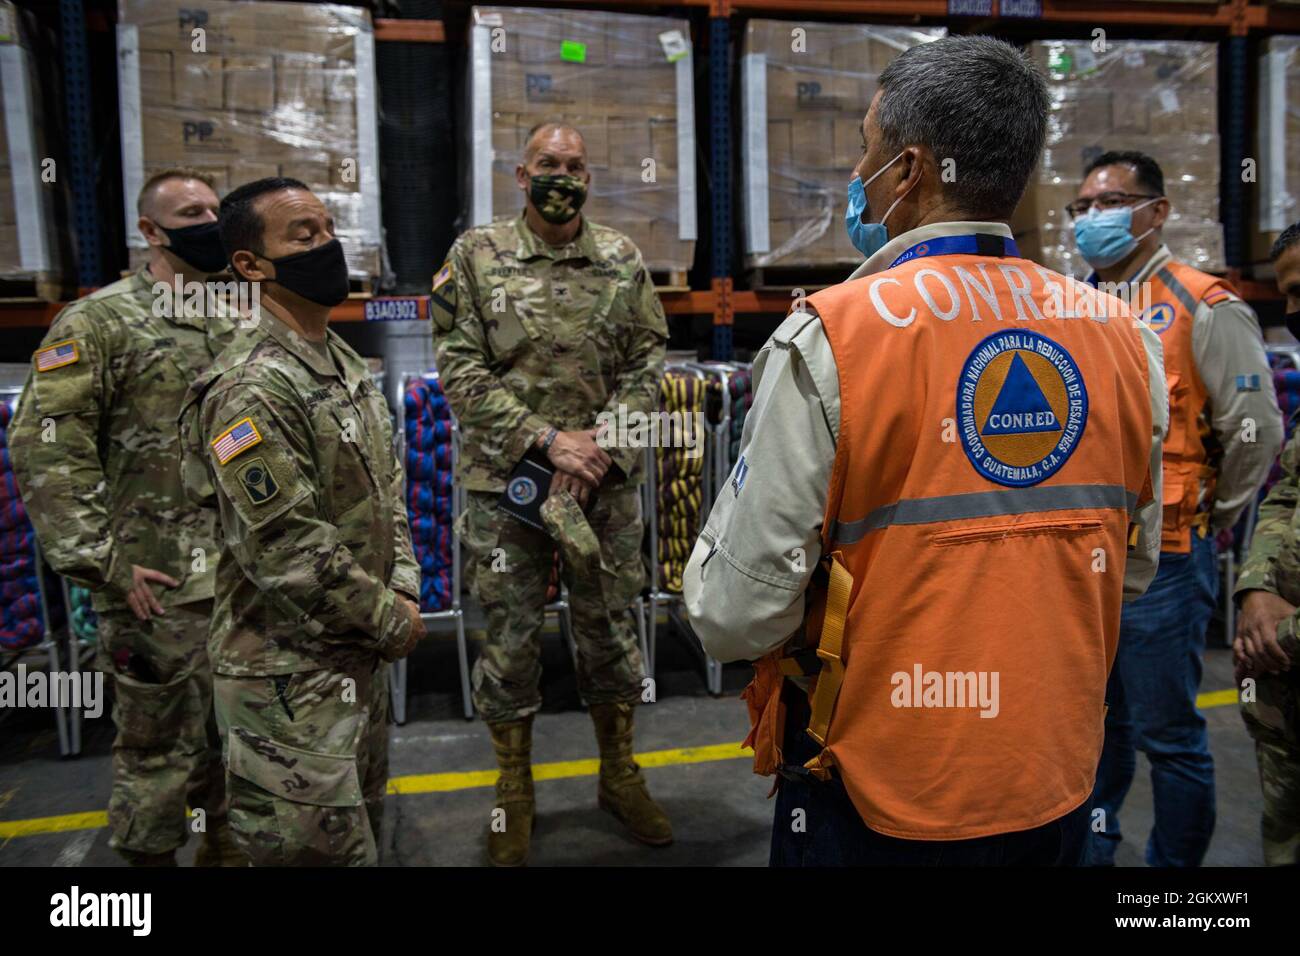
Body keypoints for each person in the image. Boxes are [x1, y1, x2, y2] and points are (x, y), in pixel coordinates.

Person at [682, 35, 1168, 866]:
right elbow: (1135, 565)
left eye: (865, 149)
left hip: (876, 790)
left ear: (906, 172)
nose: (856, 173)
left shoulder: (835, 337)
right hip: (1051, 779)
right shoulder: (1123, 337)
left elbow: (735, 613)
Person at [431, 122, 671, 866]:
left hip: (603, 487)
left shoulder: (621, 258)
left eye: (574, 164)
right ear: (520, 172)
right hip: (509, 489)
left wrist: (599, 446)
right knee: (508, 643)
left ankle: (620, 774)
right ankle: (514, 791)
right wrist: (547, 440)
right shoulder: (476, 257)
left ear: (590, 177)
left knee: (611, 632)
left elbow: (647, 360)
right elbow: (460, 369)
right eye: (547, 164)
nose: (561, 175)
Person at [179, 177, 424, 866]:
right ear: (251, 266)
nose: (328, 246)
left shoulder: (339, 361)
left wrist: (402, 586)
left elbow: (388, 492)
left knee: (358, 832)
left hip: (357, 658)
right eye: (303, 236)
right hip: (286, 680)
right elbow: (286, 546)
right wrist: (391, 618)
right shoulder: (251, 385)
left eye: (327, 228)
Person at [10, 167, 241, 866]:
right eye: (189, 213)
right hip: (155, 587)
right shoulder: (98, 322)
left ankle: (222, 852)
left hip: (238, 578)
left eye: (214, 209)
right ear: (150, 231)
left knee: (232, 746)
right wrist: (100, 564)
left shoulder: (238, 316)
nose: (208, 222)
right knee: (158, 756)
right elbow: (45, 446)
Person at [1072, 151, 1283, 867]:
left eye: (1110, 202)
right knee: (1096, 731)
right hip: (1080, 561)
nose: (1092, 219)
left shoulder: (1204, 306)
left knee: (1169, 737)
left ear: (1156, 211)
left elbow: (1257, 428)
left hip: (1166, 559)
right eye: (1083, 208)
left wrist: (1217, 513)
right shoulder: (1069, 305)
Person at [1233, 220, 1300, 866]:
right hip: (1283, 690)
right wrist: (1254, 590)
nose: (1295, 312)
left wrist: (1284, 633)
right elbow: (1285, 492)